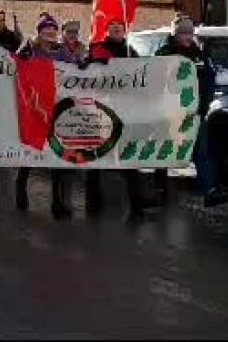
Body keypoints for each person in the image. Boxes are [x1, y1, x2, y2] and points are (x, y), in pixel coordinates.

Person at [155, 16, 228, 206]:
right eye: (184, 33)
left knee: (201, 151)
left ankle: (207, 190)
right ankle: (161, 190)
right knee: (166, 151)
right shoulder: (164, 54)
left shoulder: (198, 54)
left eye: (190, 33)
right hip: (171, 113)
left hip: (195, 112)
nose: (188, 37)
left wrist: (203, 106)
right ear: (176, 35)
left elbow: (209, 81)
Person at [85, 18, 151, 217]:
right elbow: (87, 72)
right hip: (100, 111)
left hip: (123, 111)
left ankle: (136, 203)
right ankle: (93, 202)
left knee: (127, 158)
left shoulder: (131, 51)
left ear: (124, 31)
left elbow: (142, 75)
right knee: (95, 157)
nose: (116, 30)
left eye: (119, 28)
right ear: (107, 31)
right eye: (113, 27)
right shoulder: (97, 49)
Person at [15, 13, 72, 219]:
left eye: (53, 28)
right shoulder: (30, 48)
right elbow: (14, 65)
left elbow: (75, 71)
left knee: (57, 153)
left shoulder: (62, 51)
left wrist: (83, 65)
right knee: (31, 150)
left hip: (57, 108)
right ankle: (21, 187)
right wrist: (22, 56)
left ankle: (58, 201)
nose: (50, 31)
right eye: (46, 28)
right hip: (36, 108)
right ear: (39, 31)